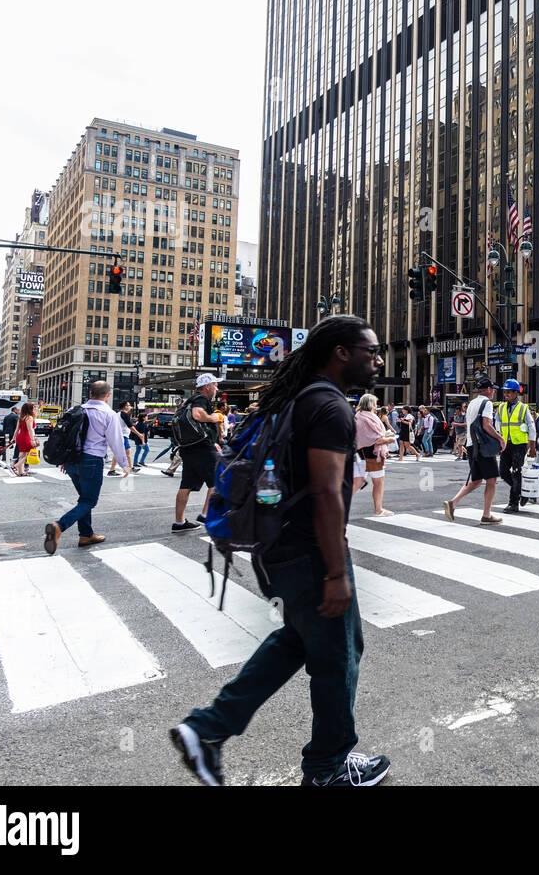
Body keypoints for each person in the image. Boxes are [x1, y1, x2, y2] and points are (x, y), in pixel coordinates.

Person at [172, 314, 391, 788]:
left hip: (275, 545)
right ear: (340, 353)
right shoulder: (330, 407)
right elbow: (326, 493)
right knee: (339, 656)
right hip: (308, 551)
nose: (377, 360)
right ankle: (327, 768)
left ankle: (207, 730)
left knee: (300, 638)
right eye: (370, 351)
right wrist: (336, 572)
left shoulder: (296, 395)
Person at [42, 380, 131, 553]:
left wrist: (63, 459)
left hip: (71, 461)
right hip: (92, 461)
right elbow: (116, 441)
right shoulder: (108, 414)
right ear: (108, 395)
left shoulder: (74, 410)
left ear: (90, 393)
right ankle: (58, 526)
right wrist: (124, 464)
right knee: (89, 500)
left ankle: (86, 535)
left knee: (84, 499)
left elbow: (63, 436)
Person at [443, 379, 506, 525]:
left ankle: (453, 503)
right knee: (491, 480)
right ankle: (486, 515)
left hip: (471, 446)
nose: (494, 391)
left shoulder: (472, 403)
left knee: (477, 481)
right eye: (493, 388)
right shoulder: (487, 403)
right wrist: (500, 438)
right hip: (483, 447)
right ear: (488, 389)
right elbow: (486, 425)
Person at [171, 373, 225, 532]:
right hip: (202, 448)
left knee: (186, 485)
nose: (217, 388)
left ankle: (179, 523)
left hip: (188, 448)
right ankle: (206, 515)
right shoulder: (201, 399)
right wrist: (214, 418)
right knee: (219, 479)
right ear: (207, 386)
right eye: (215, 384)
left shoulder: (189, 400)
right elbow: (197, 415)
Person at [496, 380, 537, 513]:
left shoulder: (523, 408)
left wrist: (532, 444)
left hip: (519, 445)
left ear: (515, 393)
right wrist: (498, 436)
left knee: (516, 473)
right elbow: (497, 422)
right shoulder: (501, 407)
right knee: (503, 472)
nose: (506, 394)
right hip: (506, 444)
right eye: (505, 392)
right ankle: (522, 491)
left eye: (508, 392)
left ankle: (513, 503)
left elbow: (531, 426)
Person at [354, 393, 395, 517]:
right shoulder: (368, 417)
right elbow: (373, 439)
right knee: (378, 482)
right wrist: (389, 440)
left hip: (359, 453)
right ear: (370, 404)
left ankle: (337, 508)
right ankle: (378, 510)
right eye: (375, 403)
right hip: (372, 453)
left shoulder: (358, 416)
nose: (376, 406)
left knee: (356, 482)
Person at [109, 401, 135, 476]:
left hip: (119, 435)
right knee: (126, 453)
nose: (130, 407)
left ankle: (113, 469)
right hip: (123, 436)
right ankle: (129, 468)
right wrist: (139, 434)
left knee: (121, 453)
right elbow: (130, 425)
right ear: (125, 407)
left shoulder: (117, 414)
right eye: (129, 405)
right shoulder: (124, 414)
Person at [13, 402, 37, 477]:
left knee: (22, 455)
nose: (34, 409)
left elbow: (16, 430)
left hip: (20, 437)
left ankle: (21, 472)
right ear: (30, 409)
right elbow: (30, 429)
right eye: (33, 407)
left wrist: (14, 438)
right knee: (29, 453)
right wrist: (33, 440)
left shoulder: (21, 417)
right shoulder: (29, 417)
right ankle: (15, 466)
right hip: (26, 437)